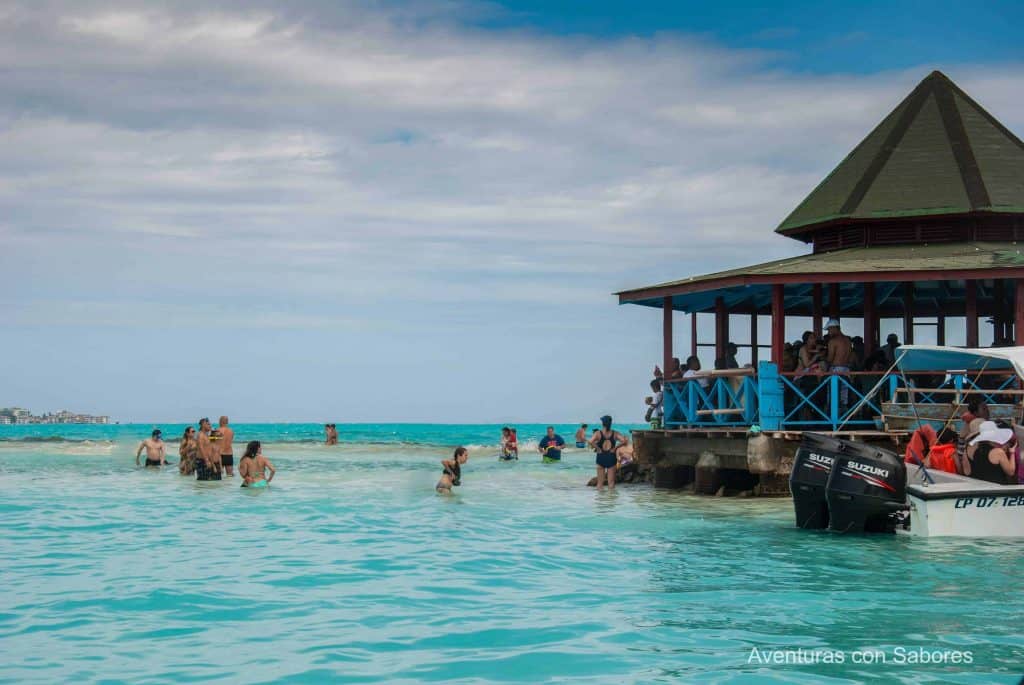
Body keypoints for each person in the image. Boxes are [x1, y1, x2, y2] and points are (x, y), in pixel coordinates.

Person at [588, 415, 626, 490]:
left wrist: (598, 449)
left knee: (600, 483)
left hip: (601, 457)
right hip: (611, 457)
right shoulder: (615, 433)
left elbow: (590, 441)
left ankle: (600, 497)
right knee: (611, 483)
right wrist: (615, 448)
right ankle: (611, 497)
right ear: (610, 423)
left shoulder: (598, 433)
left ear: (602, 423)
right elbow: (624, 441)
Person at [825, 319, 853, 409]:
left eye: (829, 329)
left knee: (833, 396)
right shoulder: (848, 341)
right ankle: (843, 415)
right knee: (844, 398)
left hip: (835, 370)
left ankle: (833, 416)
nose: (828, 332)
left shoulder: (833, 341)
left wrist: (822, 359)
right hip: (846, 370)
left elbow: (830, 359)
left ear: (834, 328)